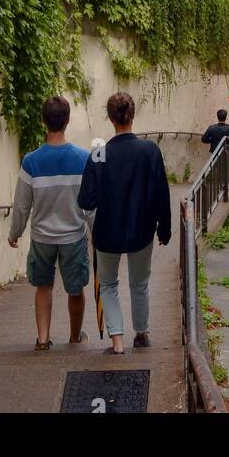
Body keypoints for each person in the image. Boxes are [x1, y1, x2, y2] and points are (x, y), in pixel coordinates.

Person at [77, 91, 171, 355]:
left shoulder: (98, 155)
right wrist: (164, 228)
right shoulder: (149, 150)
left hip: (107, 231)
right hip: (141, 229)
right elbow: (161, 192)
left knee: (108, 284)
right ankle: (141, 334)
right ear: (132, 115)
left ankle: (116, 341)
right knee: (139, 282)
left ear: (110, 118)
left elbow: (85, 198)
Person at [8, 95, 91, 352]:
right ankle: (75, 336)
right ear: (67, 121)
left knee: (43, 286)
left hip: (42, 237)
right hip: (73, 236)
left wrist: (15, 232)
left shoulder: (31, 161)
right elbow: (91, 204)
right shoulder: (83, 159)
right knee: (75, 289)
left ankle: (43, 339)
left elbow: (22, 204)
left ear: (44, 121)